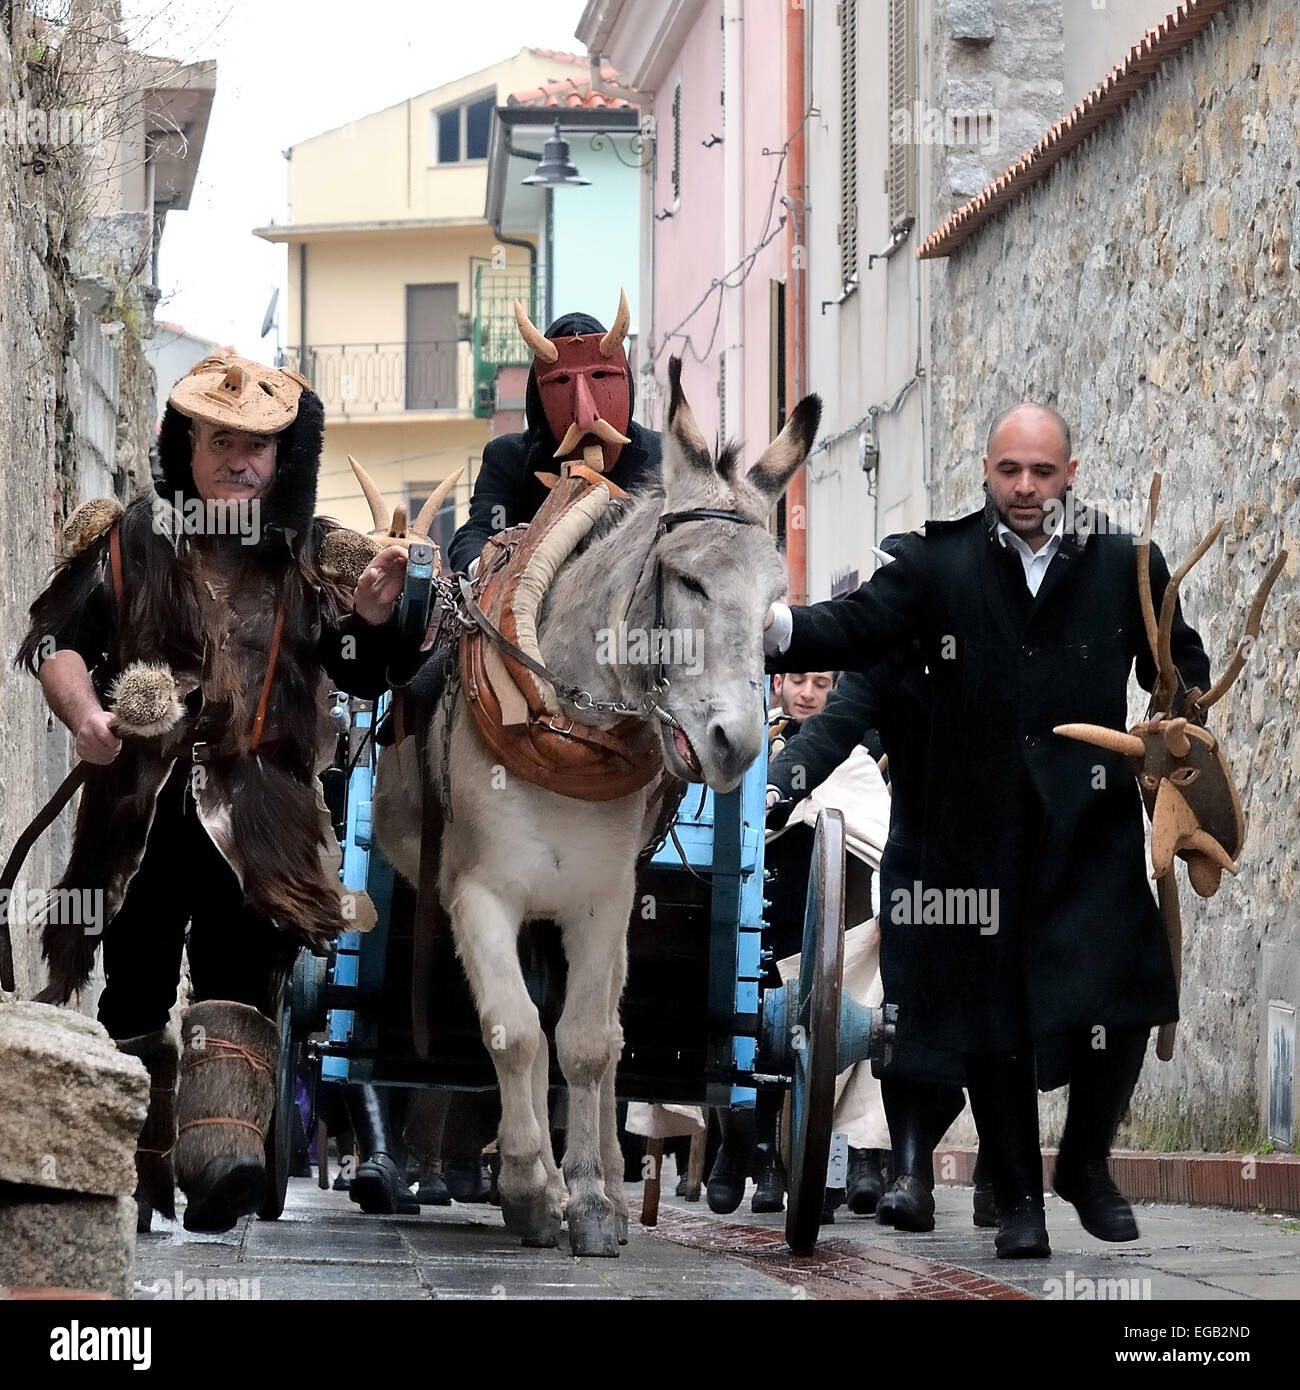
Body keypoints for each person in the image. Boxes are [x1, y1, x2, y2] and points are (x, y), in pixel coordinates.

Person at [764, 403, 1211, 1257]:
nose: (1027, 488)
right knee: (994, 1022)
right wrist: (777, 627)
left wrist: (1177, 736)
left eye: (1043, 472)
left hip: (1091, 830)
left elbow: (1178, 675)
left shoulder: (1126, 562)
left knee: (1130, 997)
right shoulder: (940, 563)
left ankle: (1082, 1163)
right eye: (1011, 471)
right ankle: (1021, 1209)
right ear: (987, 469)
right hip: (980, 836)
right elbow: (856, 630)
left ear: (1070, 473)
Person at [18, 352, 416, 1233]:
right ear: (187, 445)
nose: (242, 461)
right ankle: (136, 1169)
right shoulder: (131, 537)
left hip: (262, 818)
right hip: (140, 813)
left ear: (284, 460)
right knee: (133, 992)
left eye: (260, 447)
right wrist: (86, 717)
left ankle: (226, 1162)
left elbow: (361, 669)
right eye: (223, 440)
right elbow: (57, 644)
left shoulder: (313, 555)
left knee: (239, 980)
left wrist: (378, 620)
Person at [767, 546, 992, 1234]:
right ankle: (912, 1173)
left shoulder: (996, 646)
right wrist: (781, 785)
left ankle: (1003, 1177)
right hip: (917, 861)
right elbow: (830, 730)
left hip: (993, 860)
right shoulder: (880, 662)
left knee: (994, 1020)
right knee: (909, 1012)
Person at [447, 296, 661, 575]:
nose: (585, 417)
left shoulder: (663, 455)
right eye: (561, 383)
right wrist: (489, 572)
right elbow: (476, 537)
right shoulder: (508, 458)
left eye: (600, 377)